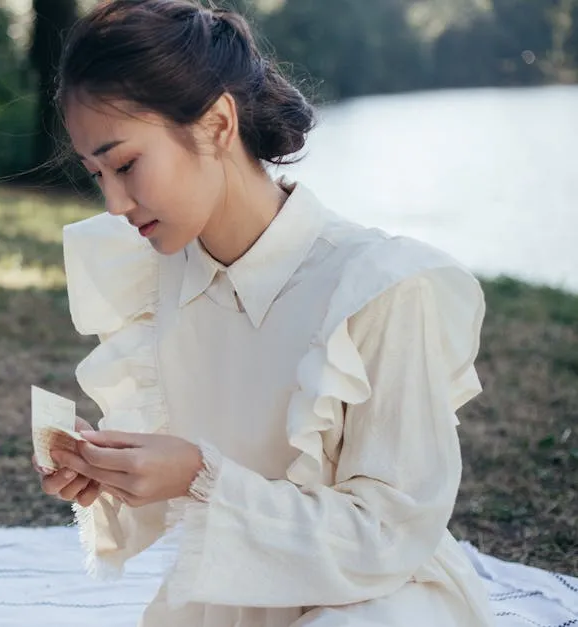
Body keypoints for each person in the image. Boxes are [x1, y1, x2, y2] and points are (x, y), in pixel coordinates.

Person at [31, 1, 496, 625]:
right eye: (97, 174)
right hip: (235, 600)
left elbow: (390, 533)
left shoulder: (378, 286)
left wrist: (202, 477)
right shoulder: (153, 273)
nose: (113, 203)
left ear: (218, 123)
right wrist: (108, 471)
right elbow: (183, 501)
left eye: (126, 165)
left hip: (379, 600)